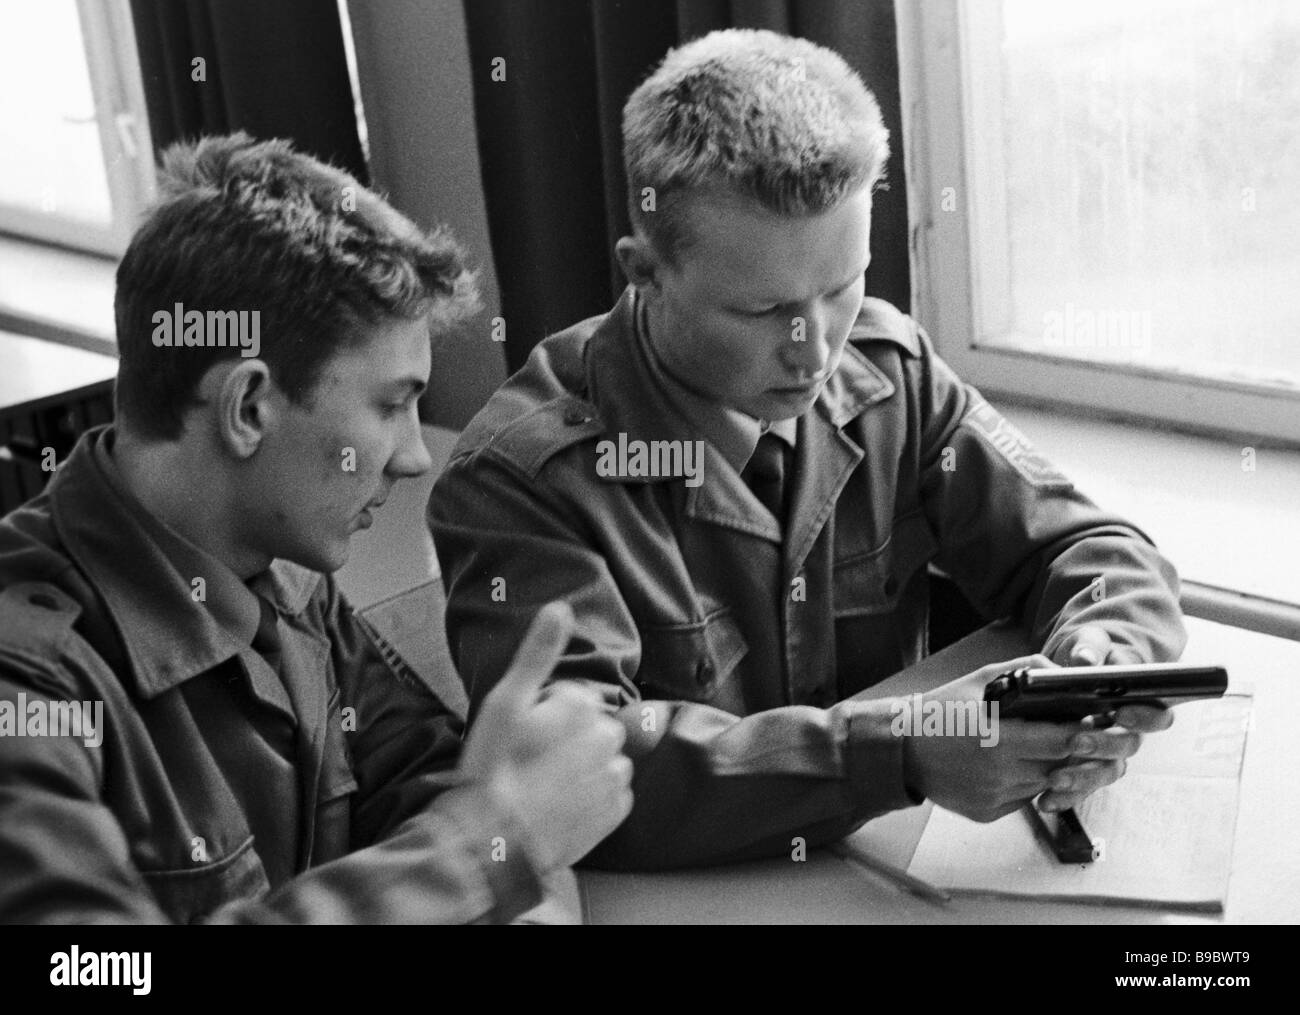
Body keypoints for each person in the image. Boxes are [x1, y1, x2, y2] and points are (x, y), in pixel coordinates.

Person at [429, 29, 1186, 871]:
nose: (815, 348)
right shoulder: (516, 478)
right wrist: (899, 751)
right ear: (642, 272)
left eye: (842, 286)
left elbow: (1091, 547)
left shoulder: (890, 371)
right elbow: (575, 778)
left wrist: (1103, 660)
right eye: (762, 311)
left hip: (883, 876)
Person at [0, 133, 632, 923]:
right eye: (392, 403)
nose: (414, 457)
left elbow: (421, 777)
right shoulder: (27, 683)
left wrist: (504, 847)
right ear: (249, 408)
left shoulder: (284, 575)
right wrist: (484, 848)